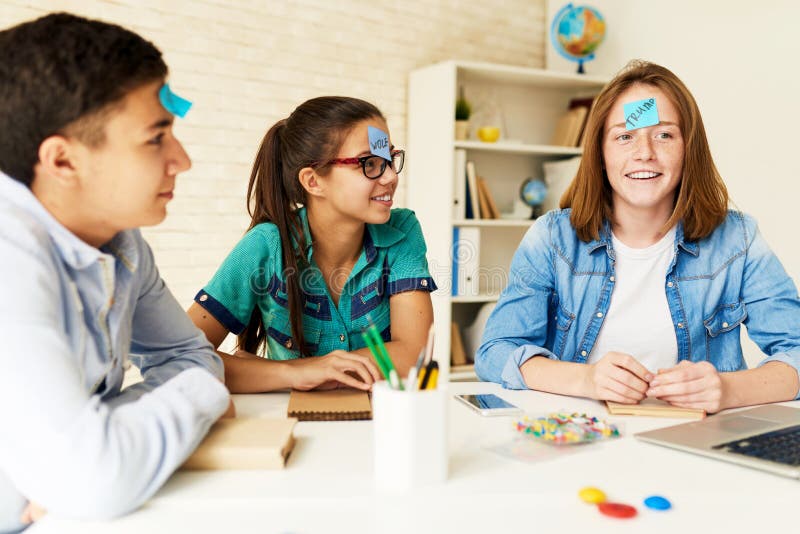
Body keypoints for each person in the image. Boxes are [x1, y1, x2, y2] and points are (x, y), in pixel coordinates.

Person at [0, 13, 231, 532]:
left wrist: (101, 442)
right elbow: (92, 481)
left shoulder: (120, 240)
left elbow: (190, 355)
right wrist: (203, 399)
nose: (183, 160)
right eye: (156, 137)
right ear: (62, 161)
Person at [475, 60, 800, 413]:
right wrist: (585, 379)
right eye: (624, 136)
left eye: (663, 134)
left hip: (693, 444)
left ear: (689, 148)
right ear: (600, 153)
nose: (644, 152)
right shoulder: (551, 238)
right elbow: (496, 351)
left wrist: (727, 389)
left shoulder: (739, 240)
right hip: (576, 440)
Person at [188, 96, 436, 393]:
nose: (391, 176)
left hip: (378, 425)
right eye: (370, 163)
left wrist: (278, 370)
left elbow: (413, 357)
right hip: (288, 424)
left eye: (390, 160)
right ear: (313, 181)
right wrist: (295, 373)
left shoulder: (402, 231)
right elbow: (184, 359)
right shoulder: (265, 245)